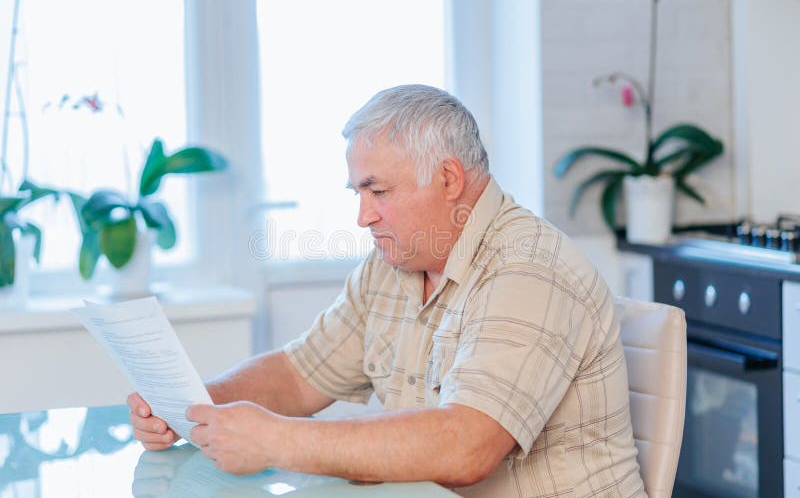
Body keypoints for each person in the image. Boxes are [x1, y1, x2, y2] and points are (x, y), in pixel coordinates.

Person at [128, 84, 645, 497]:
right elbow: (297, 374)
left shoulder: (529, 269)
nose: (363, 216)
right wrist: (196, 406)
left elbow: (467, 446)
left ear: (448, 179)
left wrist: (273, 441)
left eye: (379, 191)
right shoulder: (394, 263)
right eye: (358, 193)